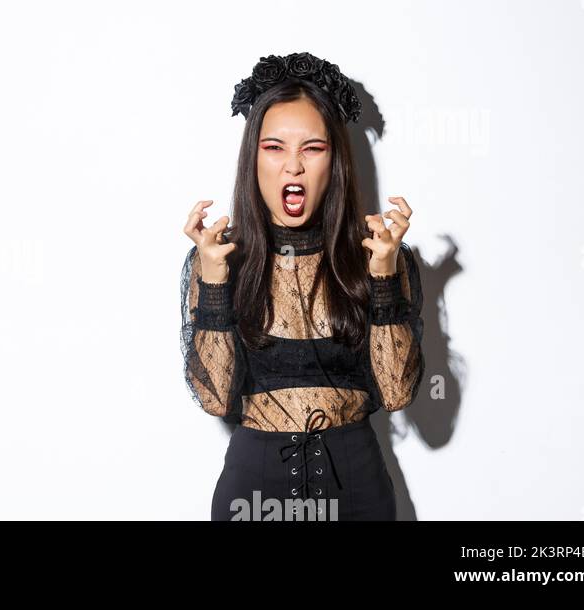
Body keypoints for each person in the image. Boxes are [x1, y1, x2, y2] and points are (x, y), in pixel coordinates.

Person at [179, 52, 424, 521]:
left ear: (336, 160)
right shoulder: (219, 258)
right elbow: (214, 399)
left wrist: (385, 277)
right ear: (253, 158)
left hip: (356, 490)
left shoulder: (375, 254)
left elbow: (396, 393)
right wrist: (213, 284)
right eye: (274, 147)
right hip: (253, 496)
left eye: (312, 148)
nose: (293, 166)